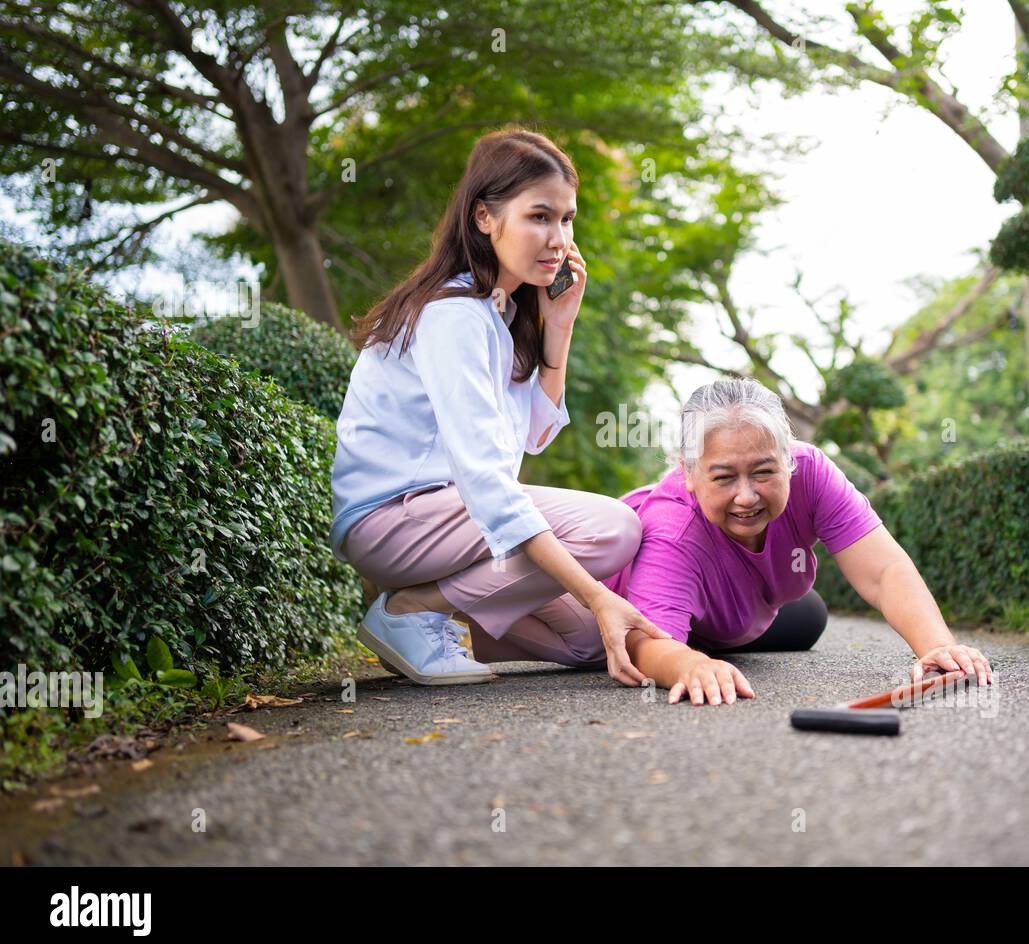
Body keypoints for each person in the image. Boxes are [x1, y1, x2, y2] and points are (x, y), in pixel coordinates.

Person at [330, 127, 673, 687]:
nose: (559, 239)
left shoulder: (500, 314)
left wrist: (559, 327)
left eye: (567, 219)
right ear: (485, 217)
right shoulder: (453, 315)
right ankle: (412, 610)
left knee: (588, 640)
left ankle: (433, 620)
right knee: (613, 530)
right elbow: (487, 479)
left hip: (449, 523)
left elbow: (533, 436)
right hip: (394, 520)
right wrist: (595, 593)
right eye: (540, 216)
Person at [605, 378, 993, 706]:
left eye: (763, 472)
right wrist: (690, 665)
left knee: (809, 617)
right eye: (723, 477)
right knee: (678, 649)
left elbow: (884, 570)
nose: (746, 497)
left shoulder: (812, 472)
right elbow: (643, 642)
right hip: (642, 616)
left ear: (788, 459)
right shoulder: (672, 527)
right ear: (688, 473)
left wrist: (937, 647)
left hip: (735, 620)